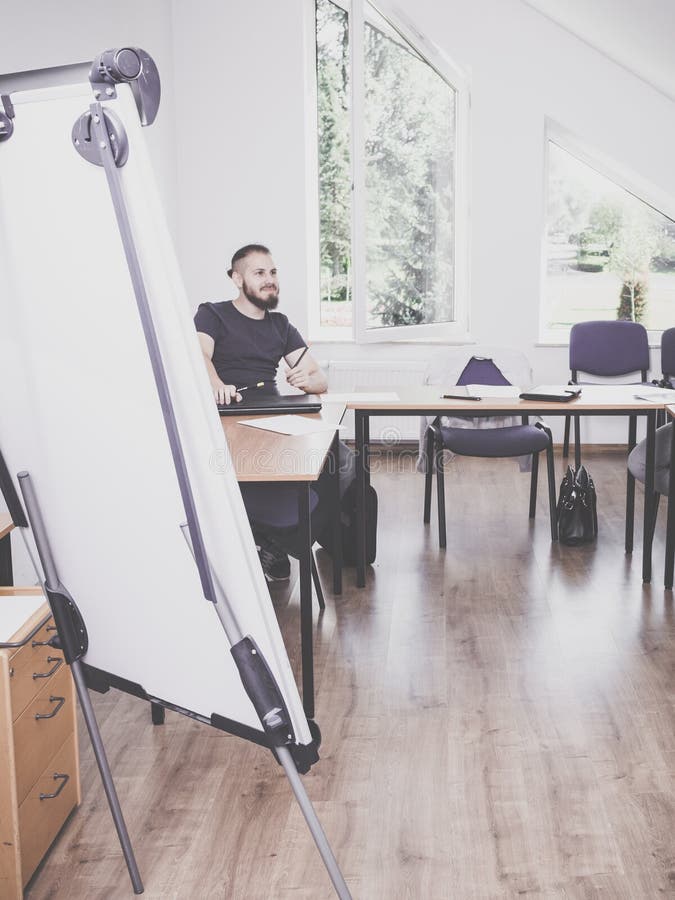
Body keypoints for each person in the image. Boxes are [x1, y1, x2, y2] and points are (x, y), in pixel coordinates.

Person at [194, 244, 328, 581]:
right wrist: (217, 384)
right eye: (259, 273)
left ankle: (275, 541)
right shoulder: (212, 313)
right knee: (256, 474)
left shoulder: (281, 325)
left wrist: (306, 379)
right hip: (229, 414)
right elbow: (199, 356)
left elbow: (321, 379)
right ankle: (268, 540)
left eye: (273, 272)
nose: (270, 280)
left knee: (339, 465)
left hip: (272, 411)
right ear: (237, 279)